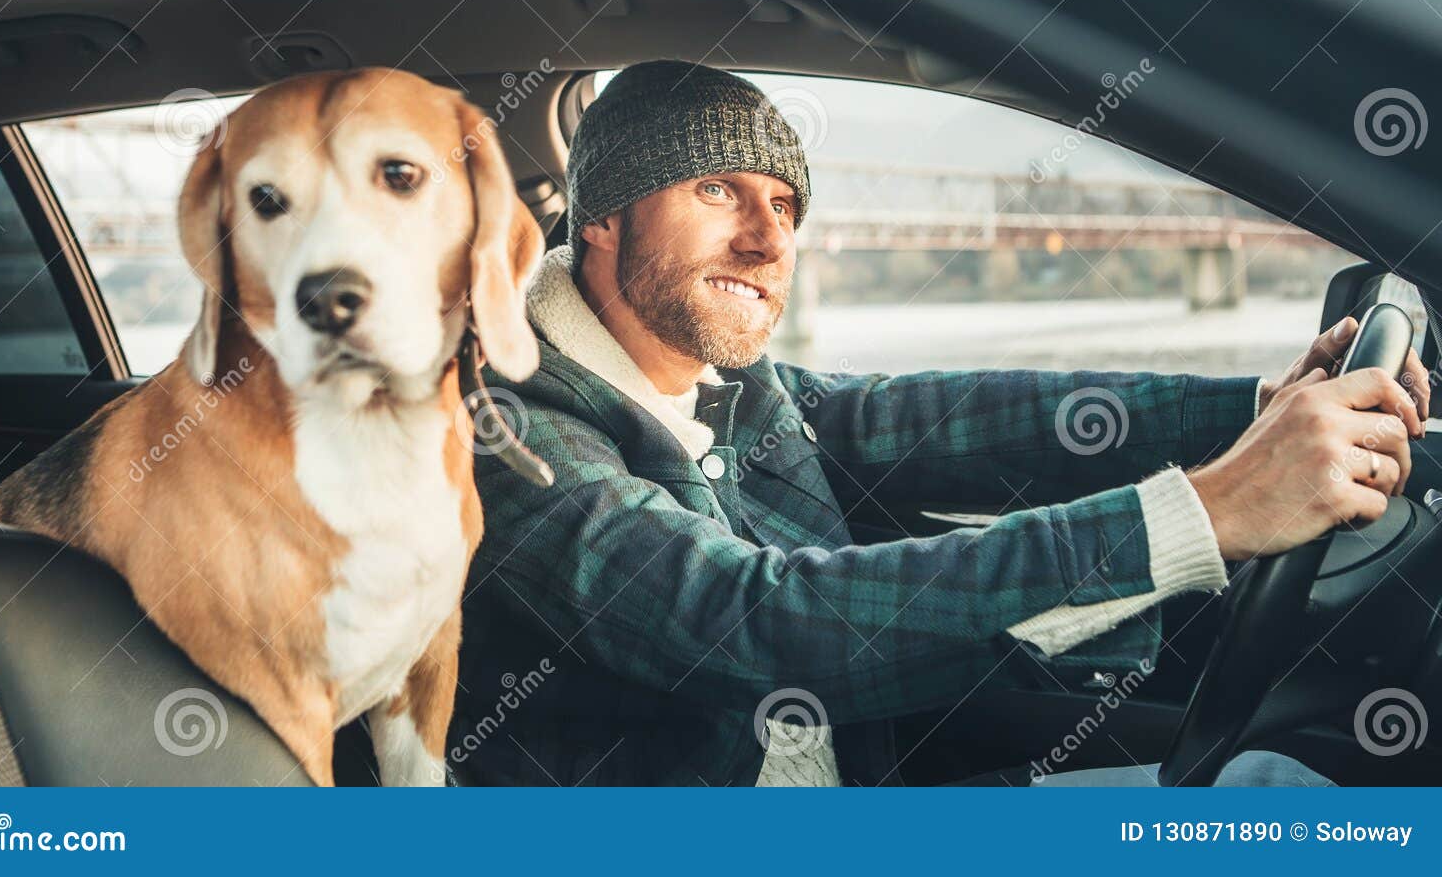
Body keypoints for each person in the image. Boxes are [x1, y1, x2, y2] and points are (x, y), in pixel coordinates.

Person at [450, 60, 1429, 787]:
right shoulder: (512, 436)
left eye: (786, 204)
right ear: (605, 215)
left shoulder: (728, 385)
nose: (767, 240)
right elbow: (751, 621)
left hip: (879, 780)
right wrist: (1207, 513)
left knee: (1279, 791)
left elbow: (953, 417)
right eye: (717, 190)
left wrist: (1250, 408)